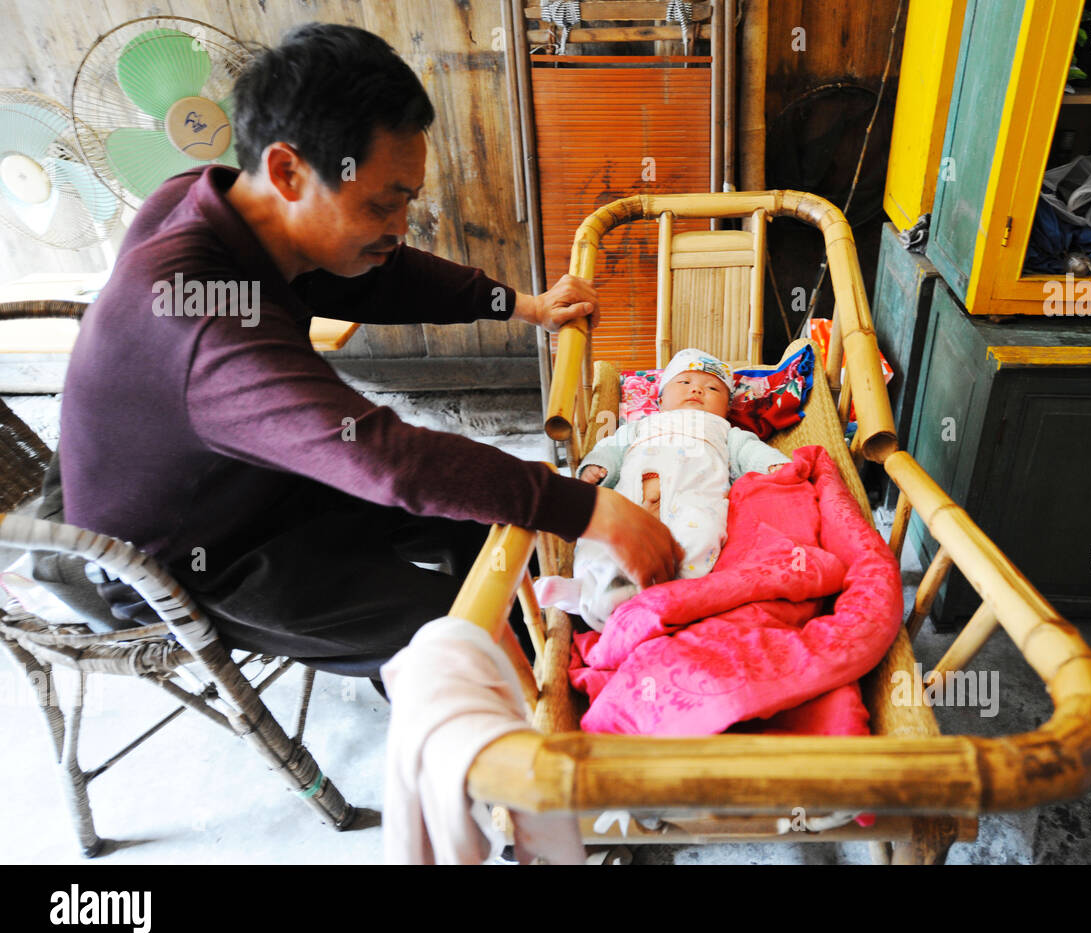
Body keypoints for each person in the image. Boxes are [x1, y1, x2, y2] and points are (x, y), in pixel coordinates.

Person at [56, 23, 680, 679]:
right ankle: (500, 752)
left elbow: (382, 274)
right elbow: (381, 458)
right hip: (188, 558)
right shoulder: (202, 321)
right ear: (288, 171)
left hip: (251, 480)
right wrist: (590, 510)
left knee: (492, 525)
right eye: (385, 204)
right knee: (465, 634)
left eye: (406, 201)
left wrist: (521, 306)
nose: (399, 227)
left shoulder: (216, 198)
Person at [535, 348, 790, 631]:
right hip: (629, 501)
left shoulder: (725, 430)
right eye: (684, 382)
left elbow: (751, 452)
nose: (697, 389)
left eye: (712, 387)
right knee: (601, 536)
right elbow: (609, 448)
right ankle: (590, 586)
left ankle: (666, 596)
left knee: (700, 535)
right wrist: (597, 467)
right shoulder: (638, 426)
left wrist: (774, 467)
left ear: (727, 407)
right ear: (660, 398)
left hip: (693, 500)